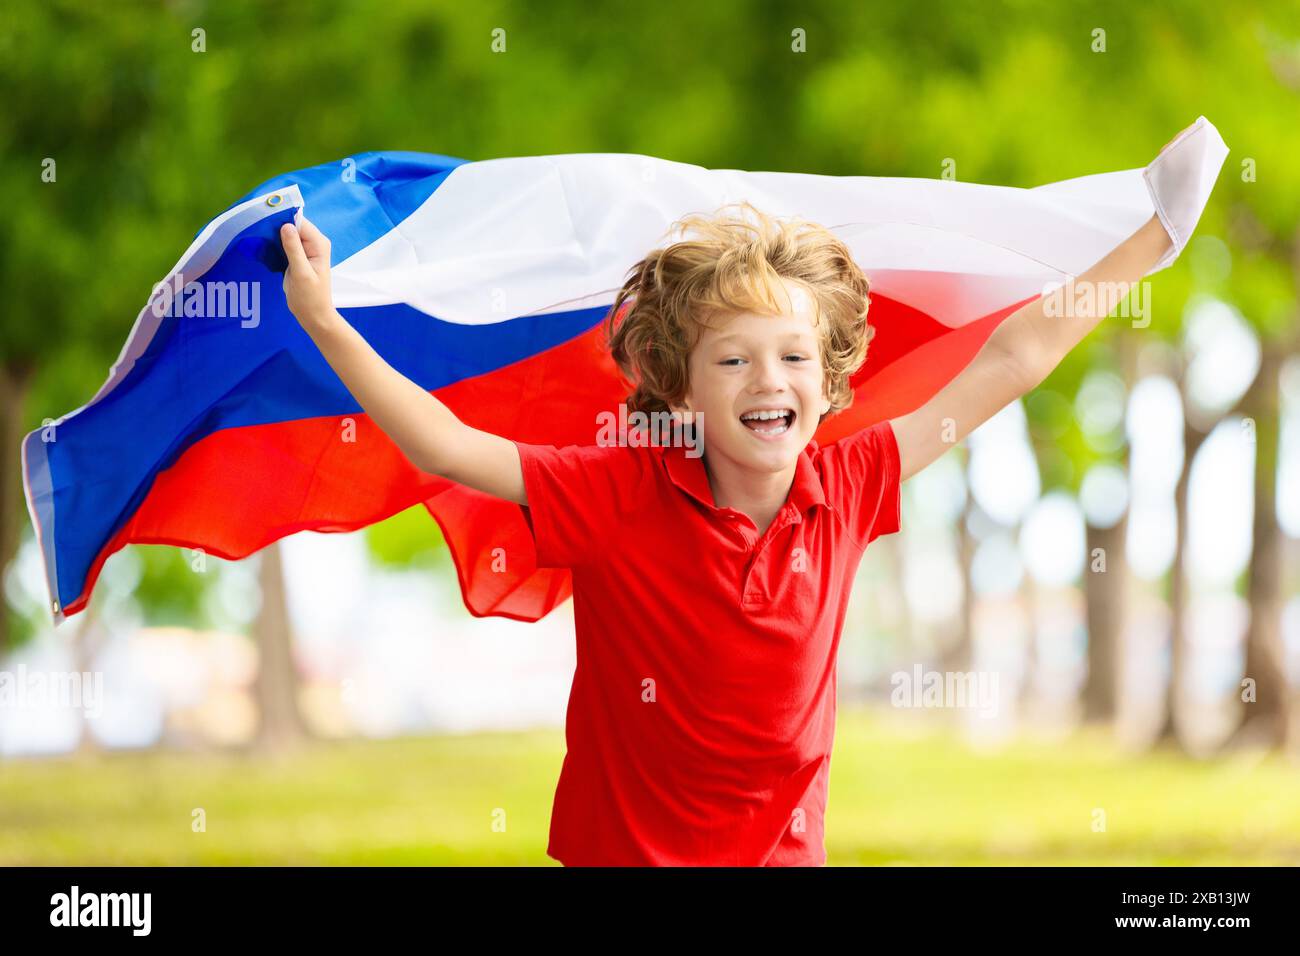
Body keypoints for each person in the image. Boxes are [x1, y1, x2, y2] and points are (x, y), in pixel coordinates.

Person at [277, 122, 1203, 865]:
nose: (769, 380)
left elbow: (1013, 355)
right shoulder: (618, 488)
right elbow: (444, 445)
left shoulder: (851, 482)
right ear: (682, 387)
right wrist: (325, 321)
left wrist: (1151, 234)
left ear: (829, 381)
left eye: (794, 357)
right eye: (734, 359)